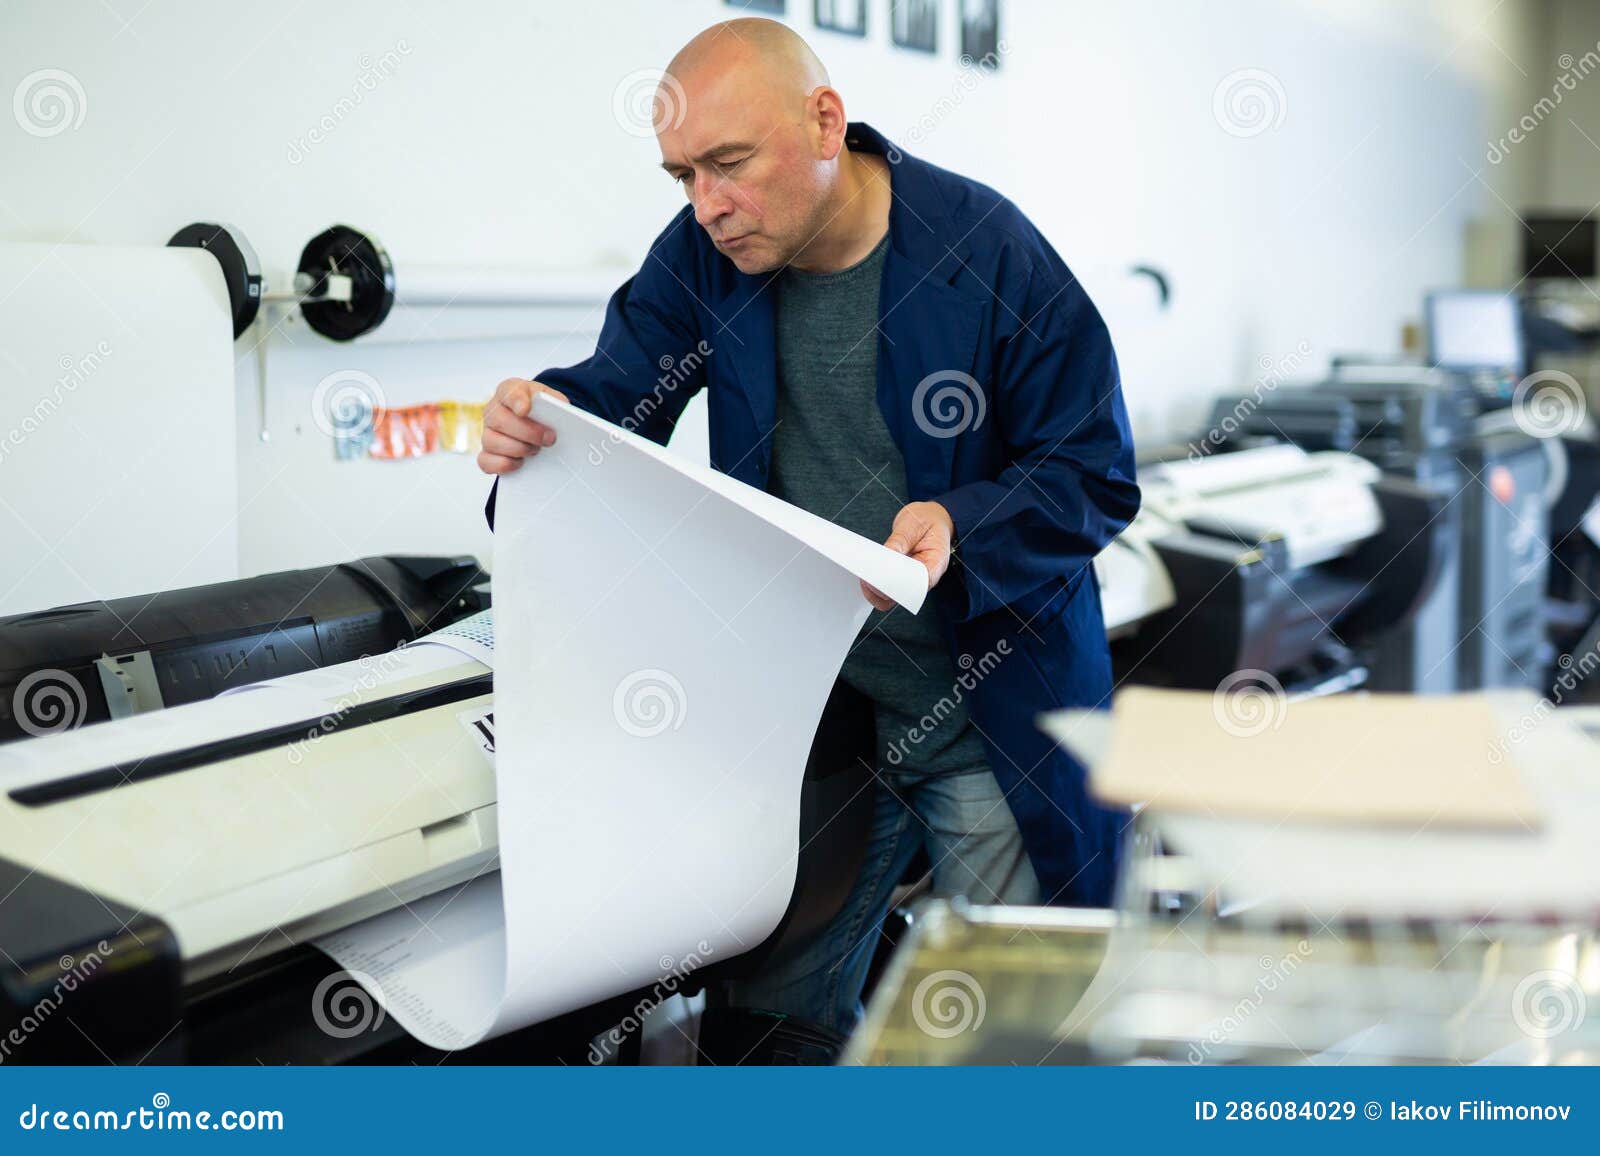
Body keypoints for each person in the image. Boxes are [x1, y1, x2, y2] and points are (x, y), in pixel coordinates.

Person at [477, 17, 1139, 1048]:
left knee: (1006, 1032)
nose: (708, 204)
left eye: (729, 164)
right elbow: (614, 401)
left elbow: (1092, 469)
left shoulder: (989, 251)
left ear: (825, 121)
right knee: (767, 1019)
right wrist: (539, 422)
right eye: (682, 175)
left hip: (982, 711)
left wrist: (962, 523)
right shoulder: (703, 257)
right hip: (814, 714)